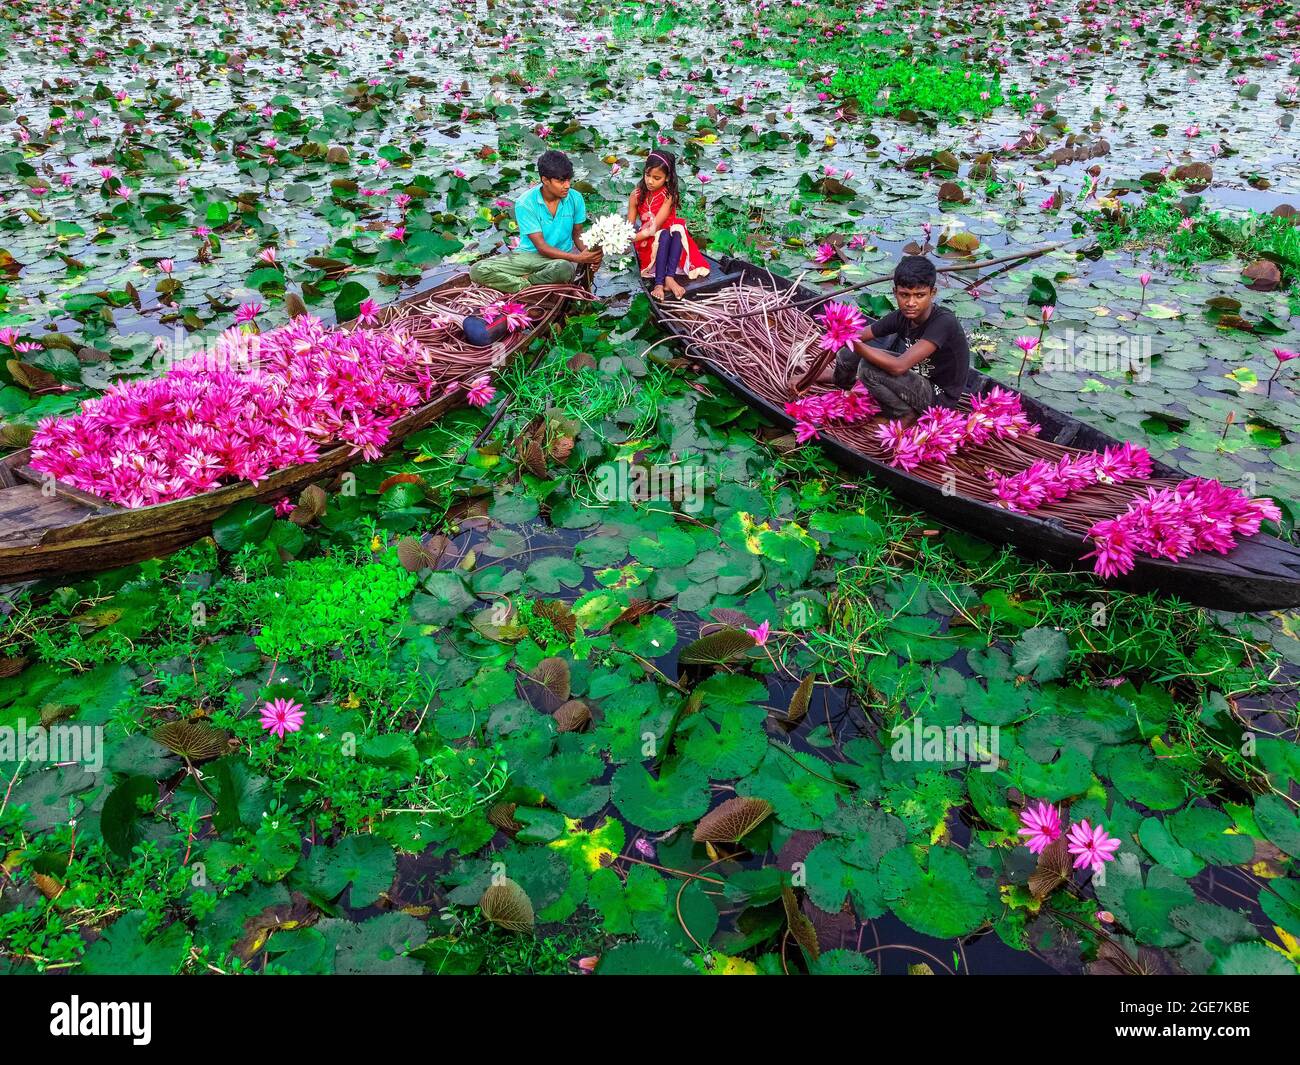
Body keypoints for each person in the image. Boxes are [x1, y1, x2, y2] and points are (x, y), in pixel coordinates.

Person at [824, 255, 971, 418]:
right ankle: (846, 386)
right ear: (895, 292)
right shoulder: (901, 316)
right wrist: (838, 332)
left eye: (920, 295)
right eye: (904, 295)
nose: (911, 303)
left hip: (938, 397)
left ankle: (904, 414)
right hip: (915, 377)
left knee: (867, 368)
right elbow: (859, 335)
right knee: (847, 353)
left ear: (932, 293)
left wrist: (849, 340)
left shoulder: (944, 322)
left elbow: (899, 366)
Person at [469, 150, 603, 293]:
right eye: (561, 181)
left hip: (559, 260)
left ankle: (528, 282)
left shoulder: (575, 198)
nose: (567, 185)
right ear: (545, 180)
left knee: (564, 269)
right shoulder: (525, 203)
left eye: (569, 180)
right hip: (528, 256)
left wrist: (589, 255)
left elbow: (577, 234)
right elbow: (541, 246)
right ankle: (526, 285)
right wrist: (578, 258)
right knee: (477, 270)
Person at [627, 150, 709, 300]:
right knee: (663, 234)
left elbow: (654, 228)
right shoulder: (636, 195)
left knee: (675, 229)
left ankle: (669, 278)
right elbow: (629, 227)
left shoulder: (669, 195)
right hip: (650, 244)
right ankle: (659, 283)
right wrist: (622, 238)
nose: (650, 181)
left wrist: (631, 238)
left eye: (656, 178)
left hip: (671, 242)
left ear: (667, 178)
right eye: (647, 175)